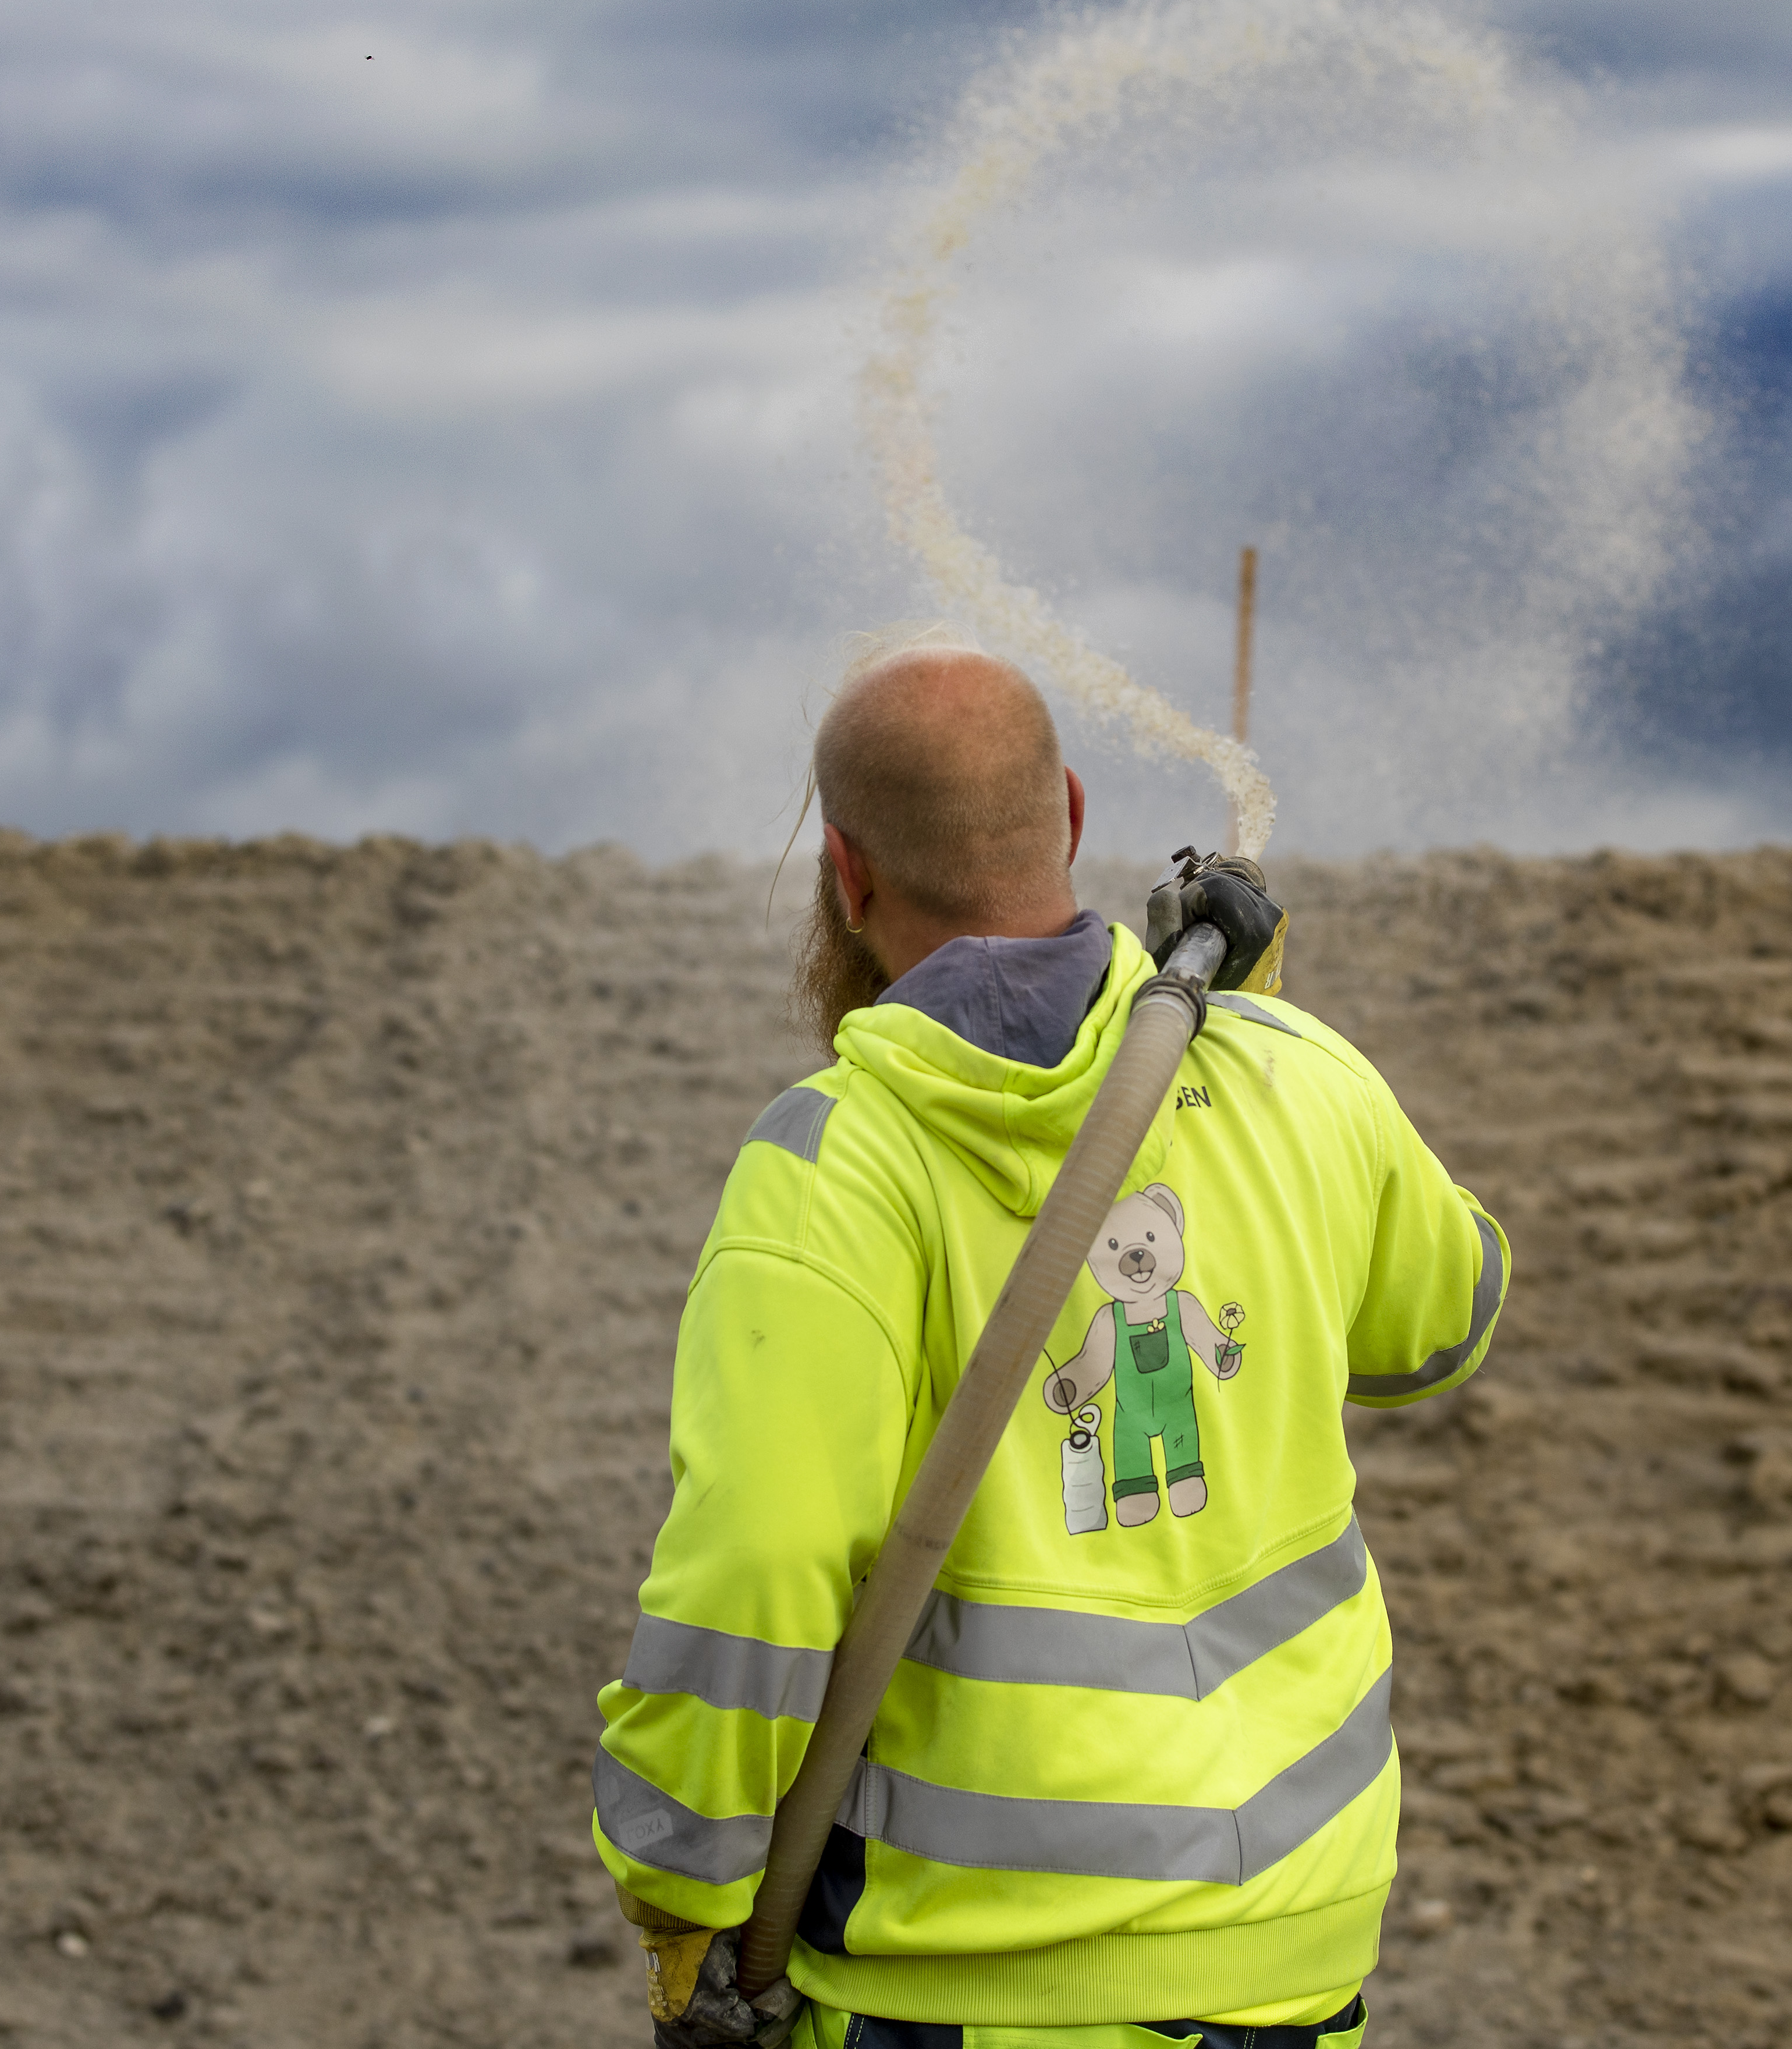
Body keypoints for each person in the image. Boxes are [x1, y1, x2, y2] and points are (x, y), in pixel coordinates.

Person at [591, 644, 1511, 2049]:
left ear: (847, 872)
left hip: (977, 1990)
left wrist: (681, 1896)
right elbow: (1444, 1323)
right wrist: (1282, 1051)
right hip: (1298, 1965)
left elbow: (757, 1571)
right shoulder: (1293, 1074)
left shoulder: (834, 1171)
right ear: (1071, 814)